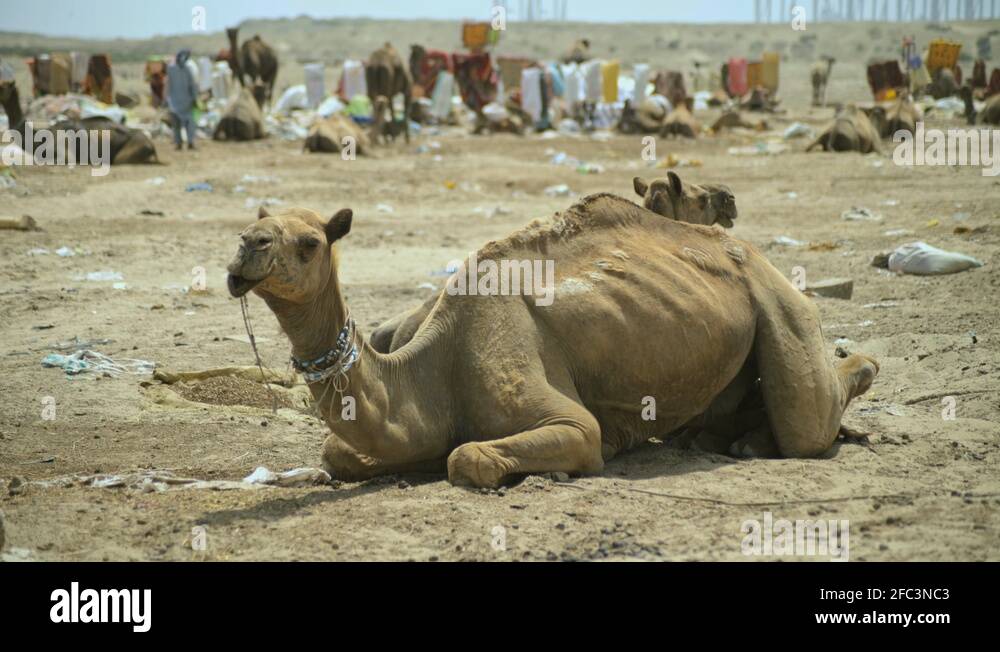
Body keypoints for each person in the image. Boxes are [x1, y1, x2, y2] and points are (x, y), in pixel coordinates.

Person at [166, 49, 198, 150]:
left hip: (176, 101)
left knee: (179, 124)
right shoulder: (188, 68)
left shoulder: (172, 68)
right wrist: (194, 98)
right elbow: (193, 85)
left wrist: (167, 98)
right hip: (184, 100)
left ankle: (182, 143)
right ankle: (188, 142)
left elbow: (168, 85)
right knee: (187, 123)